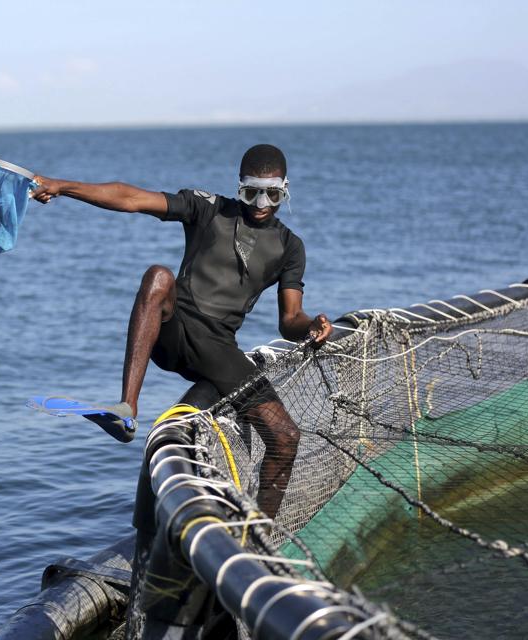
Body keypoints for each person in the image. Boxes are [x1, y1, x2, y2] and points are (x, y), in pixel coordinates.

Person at [31, 144, 332, 516]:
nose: (260, 202)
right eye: (251, 191)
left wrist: (312, 327)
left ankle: (259, 534)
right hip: (172, 332)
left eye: (272, 193)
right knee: (158, 276)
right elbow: (130, 198)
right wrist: (63, 186)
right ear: (239, 186)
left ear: (285, 189)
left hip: (218, 350)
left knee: (285, 437)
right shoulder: (207, 208)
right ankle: (127, 409)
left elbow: (290, 321)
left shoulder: (290, 247)